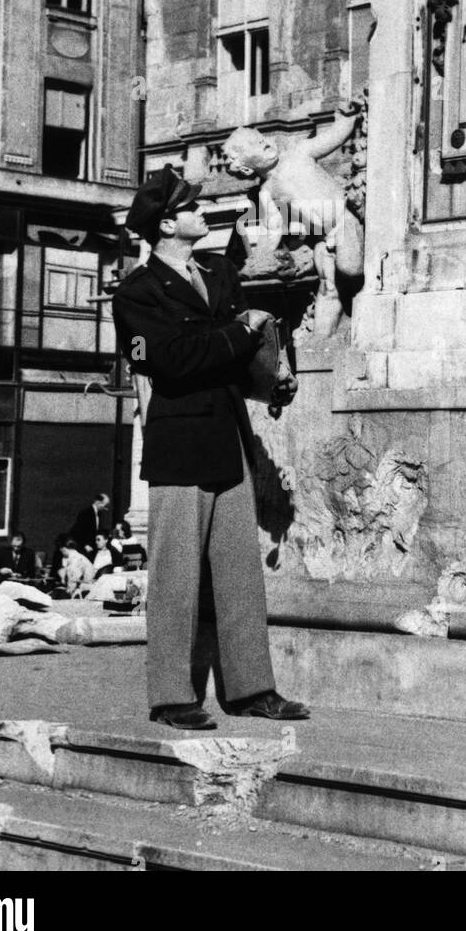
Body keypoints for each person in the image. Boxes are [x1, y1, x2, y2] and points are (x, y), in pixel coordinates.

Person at [112, 166, 309, 730]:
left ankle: (252, 689)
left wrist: (271, 377)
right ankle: (172, 695)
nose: (204, 212)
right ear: (167, 223)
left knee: (240, 573)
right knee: (175, 575)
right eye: (193, 207)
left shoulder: (220, 272)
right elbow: (168, 362)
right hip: (178, 446)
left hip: (228, 433)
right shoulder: (136, 294)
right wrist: (240, 335)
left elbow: (223, 353)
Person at [70, 493, 111, 557]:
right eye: (104, 505)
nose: (106, 509)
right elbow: (79, 531)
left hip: (94, 547)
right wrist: (85, 545)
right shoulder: (85, 513)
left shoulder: (100, 514)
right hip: (85, 547)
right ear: (98, 502)